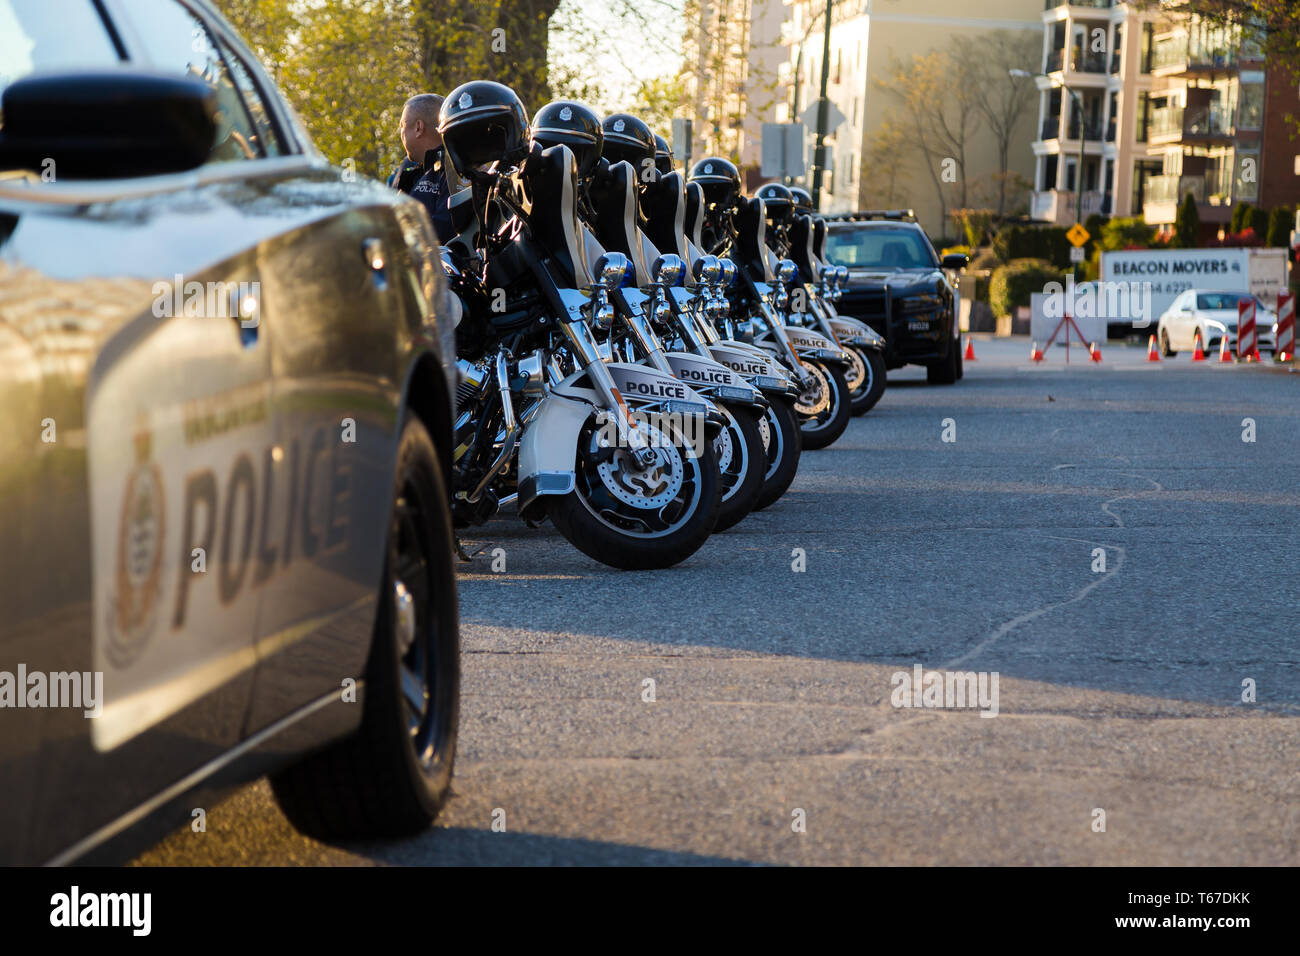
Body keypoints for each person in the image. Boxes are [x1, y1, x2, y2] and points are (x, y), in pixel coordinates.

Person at [393, 93, 454, 243]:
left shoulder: (454, 170)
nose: (400, 133)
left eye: (402, 126)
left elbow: (441, 233)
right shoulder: (418, 173)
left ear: (418, 128)